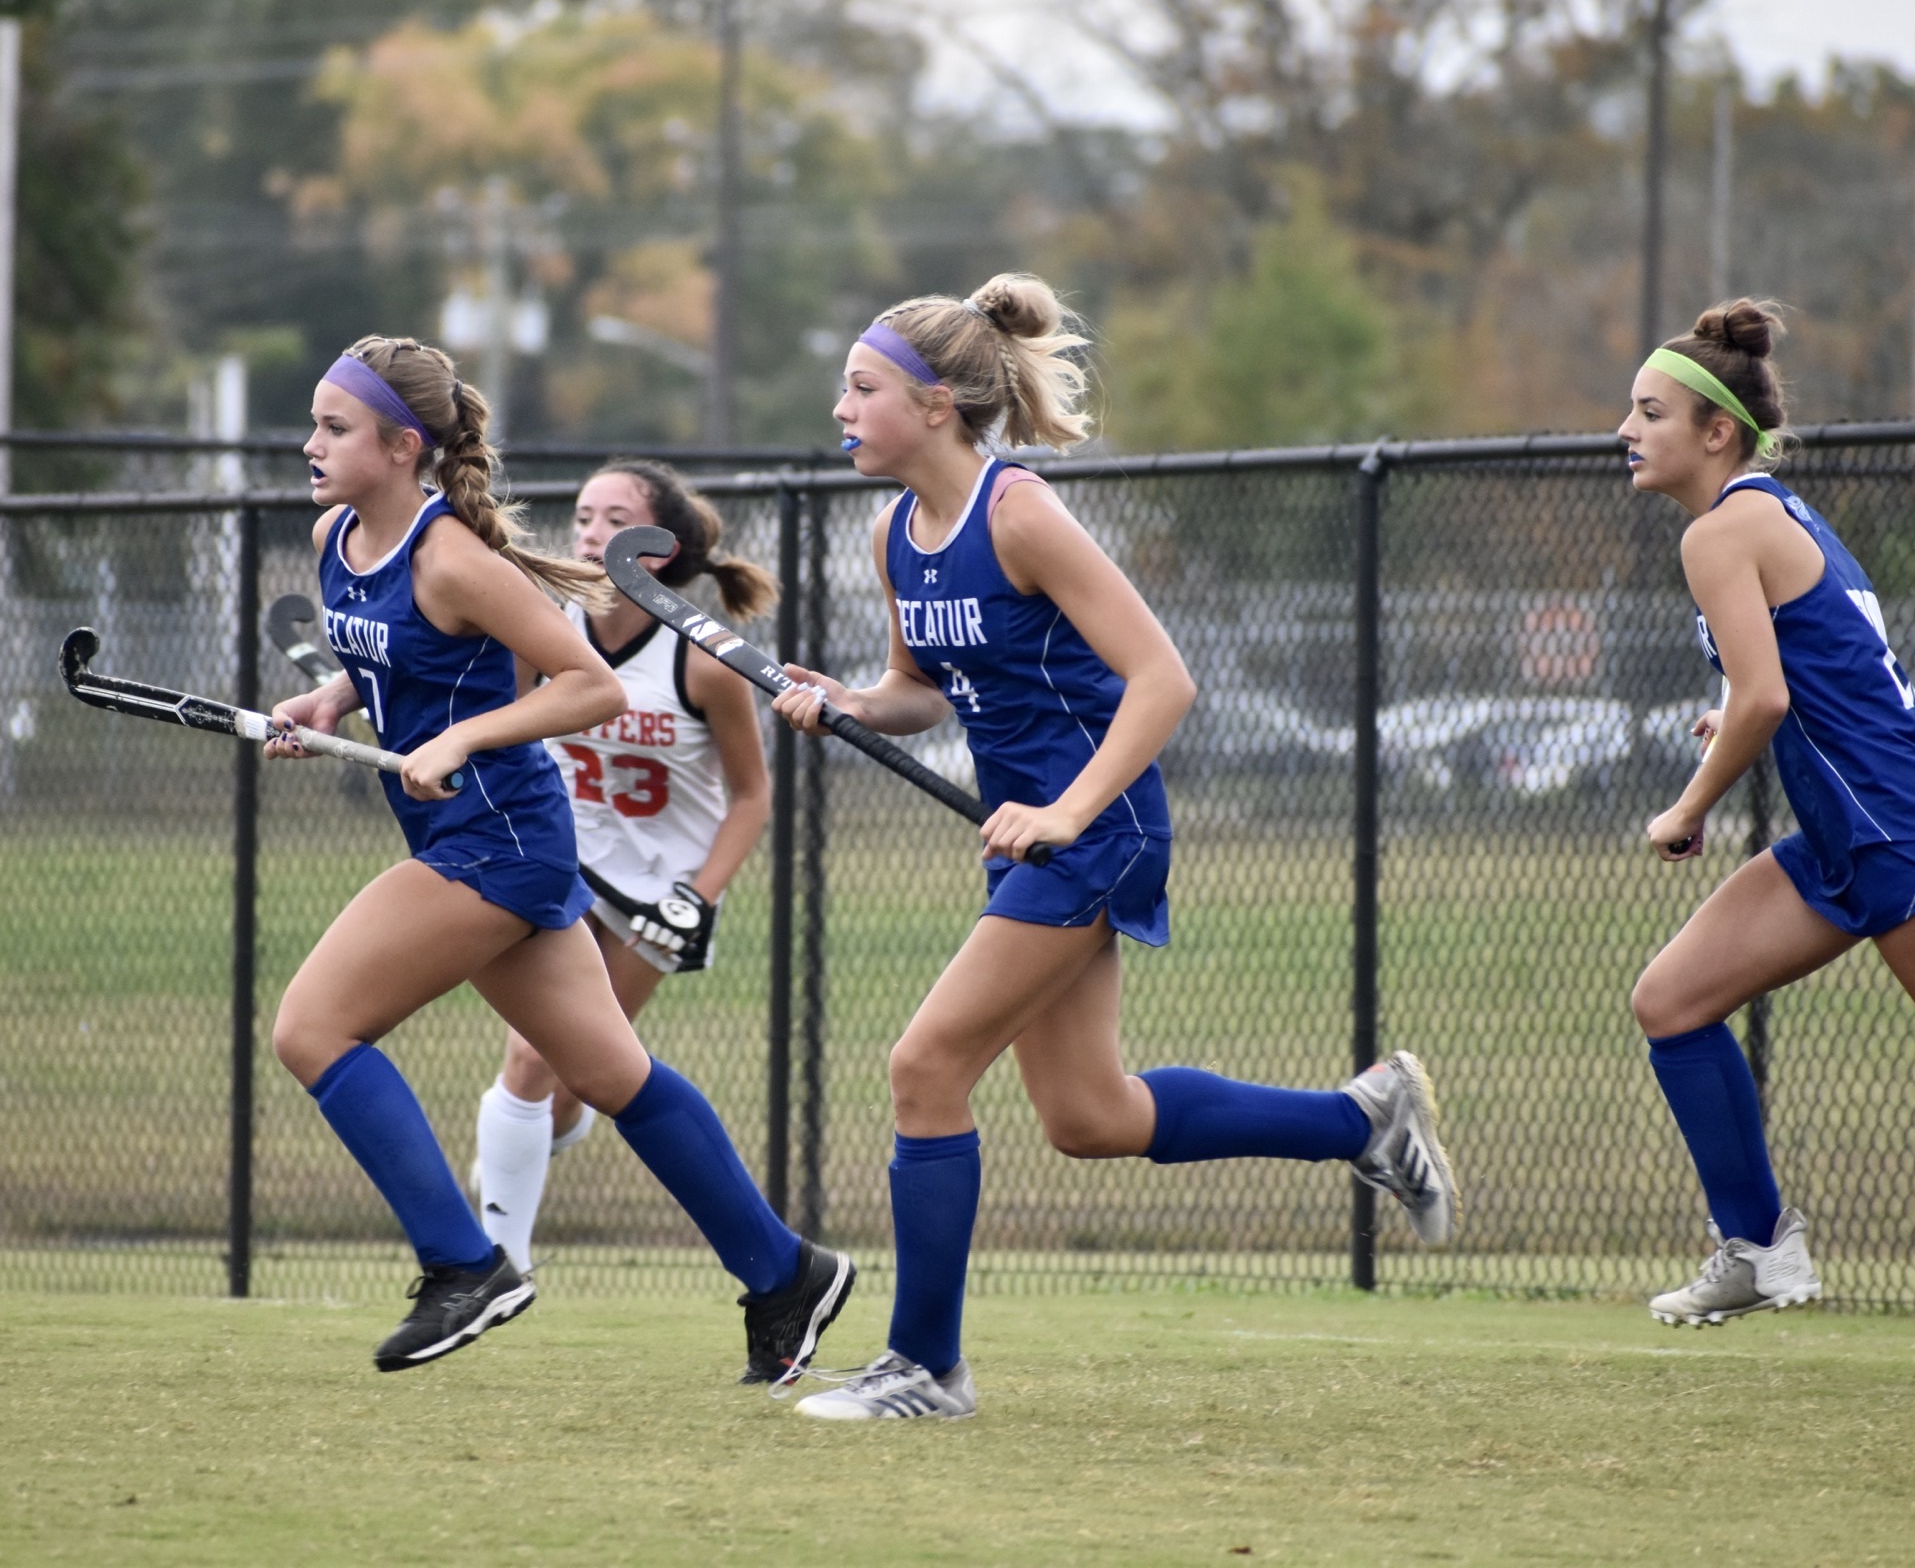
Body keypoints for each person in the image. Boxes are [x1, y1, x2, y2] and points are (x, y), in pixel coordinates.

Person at [769, 274, 1458, 1422]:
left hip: (1100, 829)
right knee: (1089, 1118)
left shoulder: (1018, 513)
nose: (839, 407)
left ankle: (924, 1369)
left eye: (861, 387)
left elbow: (1162, 680)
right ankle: (1364, 1118)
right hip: (1032, 843)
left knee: (922, 1068)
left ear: (935, 404)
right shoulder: (897, 532)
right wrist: (841, 700)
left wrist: (1066, 812)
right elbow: (915, 693)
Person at [268, 338, 852, 1379]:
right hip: (471, 836)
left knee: (312, 1028)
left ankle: (465, 1265)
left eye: (333, 427)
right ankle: (785, 1274)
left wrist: (464, 737)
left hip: (497, 839)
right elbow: (390, 658)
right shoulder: (333, 536)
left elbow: (591, 687)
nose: (309, 443)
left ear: (404, 448)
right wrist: (325, 701)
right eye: (314, 424)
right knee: (609, 1073)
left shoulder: (453, 557)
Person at [1622, 299, 1915, 1325]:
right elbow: (1794, 681)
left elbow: (1769, 697)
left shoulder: (1720, 532)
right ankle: (1755, 1250)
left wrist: (1684, 810)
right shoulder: (1763, 513)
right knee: (1670, 1002)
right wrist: (1730, 724)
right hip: (1849, 834)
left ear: (1714, 432)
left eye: (1647, 412)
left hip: (1888, 826)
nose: (1623, 430)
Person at [472, 461, 776, 1288]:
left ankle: (531, 1146)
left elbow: (752, 795)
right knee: (532, 1058)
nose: (591, 532)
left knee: (577, 1079)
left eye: (614, 518)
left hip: (660, 885)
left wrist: (699, 894)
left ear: (657, 545)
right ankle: (496, 1259)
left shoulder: (702, 660)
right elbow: (506, 722)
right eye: (582, 516)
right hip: (566, 861)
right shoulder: (548, 625)